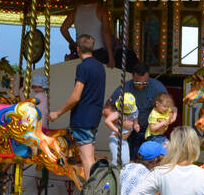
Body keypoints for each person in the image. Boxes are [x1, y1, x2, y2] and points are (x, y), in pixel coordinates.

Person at [49, 34, 106, 183]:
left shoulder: (83, 67)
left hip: (83, 118)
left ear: (78, 49)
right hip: (94, 117)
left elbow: (76, 96)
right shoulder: (100, 66)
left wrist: (58, 113)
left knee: (87, 160)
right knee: (90, 156)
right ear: (93, 48)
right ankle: (92, 193)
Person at [107, 63, 169, 161]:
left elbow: (171, 108)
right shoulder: (125, 87)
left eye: (144, 83)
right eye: (138, 83)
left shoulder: (157, 87)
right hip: (130, 132)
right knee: (128, 160)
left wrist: (167, 120)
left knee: (160, 155)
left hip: (150, 131)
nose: (141, 86)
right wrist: (121, 122)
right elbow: (106, 110)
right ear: (132, 76)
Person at [61, 0, 116, 69]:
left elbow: (63, 29)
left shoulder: (75, 11)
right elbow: (106, 32)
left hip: (81, 53)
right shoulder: (101, 9)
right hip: (98, 52)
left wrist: (73, 43)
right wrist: (111, 57)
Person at [103, 92, 138, 167]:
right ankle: (112, 175)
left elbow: (135, 119)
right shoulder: (118, 113)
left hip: (124, 139)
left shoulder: (134, 111)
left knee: (126, 161)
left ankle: (121, 177)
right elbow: (107, 121)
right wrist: (117, 130)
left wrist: (136, 125)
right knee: (116, 159)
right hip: (115, 138)